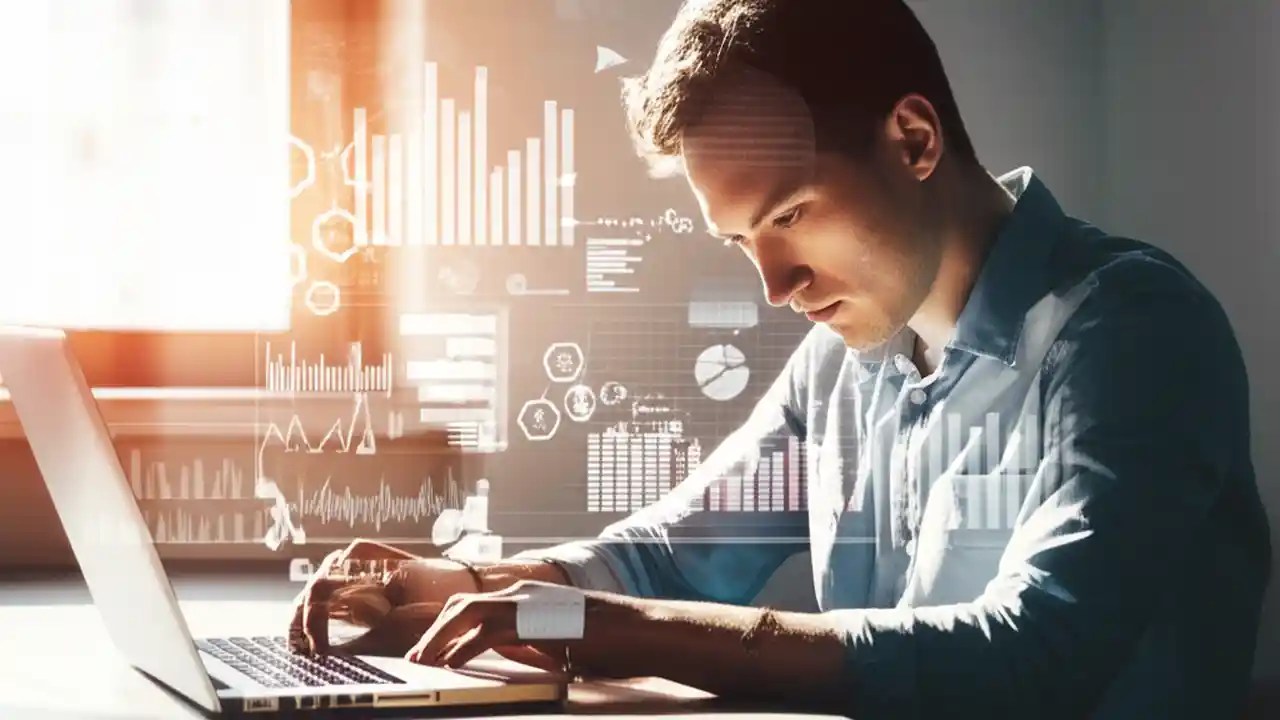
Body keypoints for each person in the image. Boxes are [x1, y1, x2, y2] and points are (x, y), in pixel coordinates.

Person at [290, 1, 1273, 716]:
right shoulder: (841, 360)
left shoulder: (1131, 333)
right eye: (738, 242)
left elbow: (1034, 656)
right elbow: (675, 558)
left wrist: (610, 629)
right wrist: (455, 585)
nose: (776, 285)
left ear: (913, 137)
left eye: (790, 216)